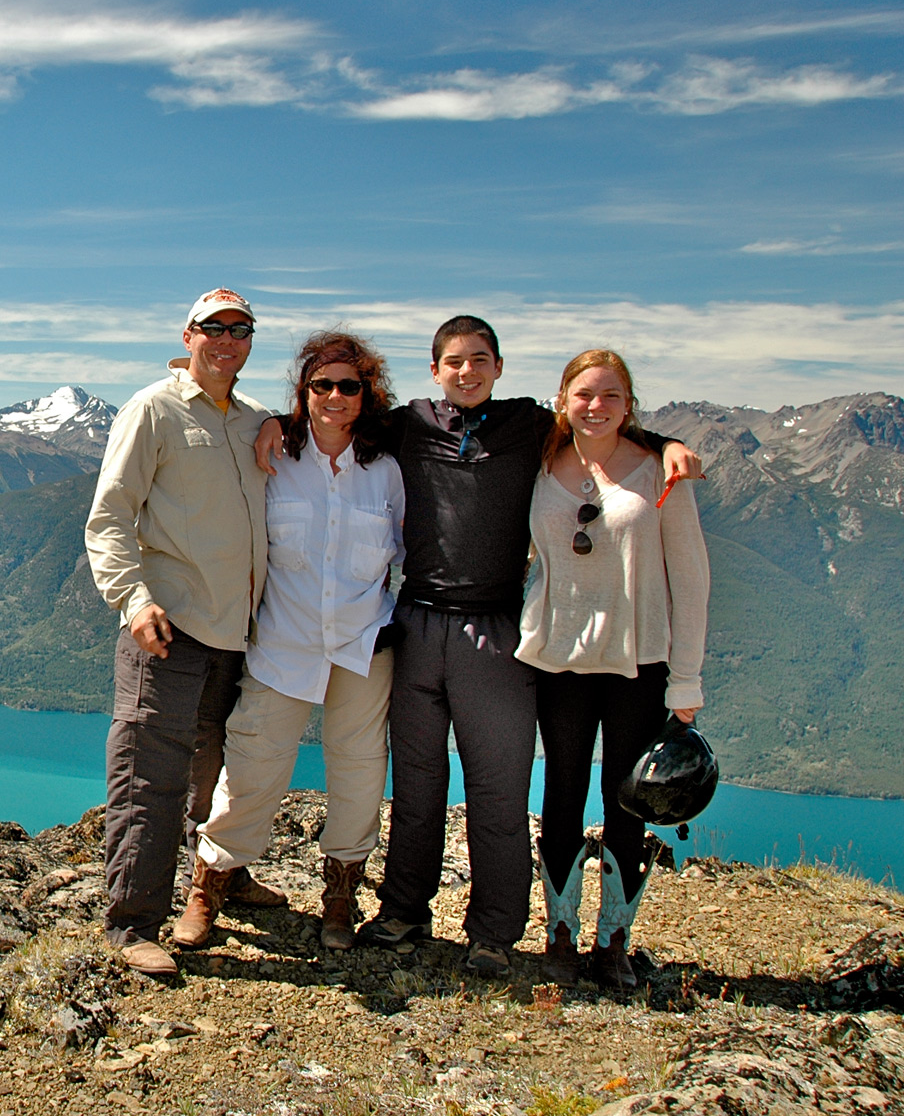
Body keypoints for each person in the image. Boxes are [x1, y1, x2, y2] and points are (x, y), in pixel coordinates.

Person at [253, 315, 701, 979]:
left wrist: (665, 444)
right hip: (415, 623)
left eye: (479, 360)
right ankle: (404, 911)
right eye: (453, 362)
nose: (467, 372)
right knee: (418, 784)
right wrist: (273, 424)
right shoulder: (405, 424)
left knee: (498, 789)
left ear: (498, 367)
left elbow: (598, 427)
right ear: (434, 370)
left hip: (495, 631)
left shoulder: (528, 426)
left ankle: (494, 930)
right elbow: (330, 418)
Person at [176, 331, 404, 953]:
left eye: (349, 386)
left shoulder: (387, 471)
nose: (335, 396)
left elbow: (414, 550)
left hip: (363, 644)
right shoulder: (271, 456)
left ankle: (339, 895)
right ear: (303, 393)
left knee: (358, 772)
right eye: (321, 385)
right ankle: (209, 885)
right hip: (284, 640)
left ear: (368, 393)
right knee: (253, 765)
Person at [84, 287, 281, 976]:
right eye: (214, 328)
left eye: (242, 329)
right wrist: (132, 600)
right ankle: (133, 922)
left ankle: (224, 876)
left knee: (223, 769)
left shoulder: (255, 419)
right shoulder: (153, 410)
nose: (228, 340)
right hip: (167, 625)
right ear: (189, 334)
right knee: (149, 773)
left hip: (239, 627)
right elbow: (109, 518)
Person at [516, 349, 708, 988]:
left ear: (630, 406)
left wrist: (687, 678)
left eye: (610, 396)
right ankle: (562, 936)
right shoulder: (540, 465)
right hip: (560, 659)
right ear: (562, 399)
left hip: (639, 663)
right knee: (562, 792)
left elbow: (692, 578)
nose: (595, 407)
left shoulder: (659, 470)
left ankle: (614, 942)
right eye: (583, 395)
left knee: (630, 799)